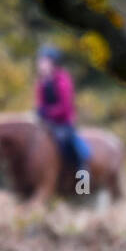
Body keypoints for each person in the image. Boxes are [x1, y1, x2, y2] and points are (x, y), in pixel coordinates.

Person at [34, 44, 87, 172]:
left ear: (53, 63)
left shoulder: (63, 80)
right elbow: (40, 103)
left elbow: (65, 107)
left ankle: (83, 180)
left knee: (77, 151)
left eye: (44, 61)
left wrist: (48, 112)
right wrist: (39, 112)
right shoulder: (41, 82)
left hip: (64, 123)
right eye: (40, 61)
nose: (40, 64)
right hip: (46, 123)